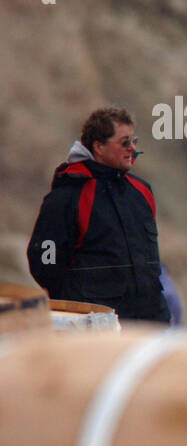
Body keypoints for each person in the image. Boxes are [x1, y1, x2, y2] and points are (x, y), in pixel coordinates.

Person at [27, 106, 170, 323]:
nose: (132, 148)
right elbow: (44, 260)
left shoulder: (142, 191)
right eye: (124, 142)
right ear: (99, 147)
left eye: (134, 141)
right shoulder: (67, 197)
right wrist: (74, 299)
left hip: (150, 322)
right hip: (97, 327)